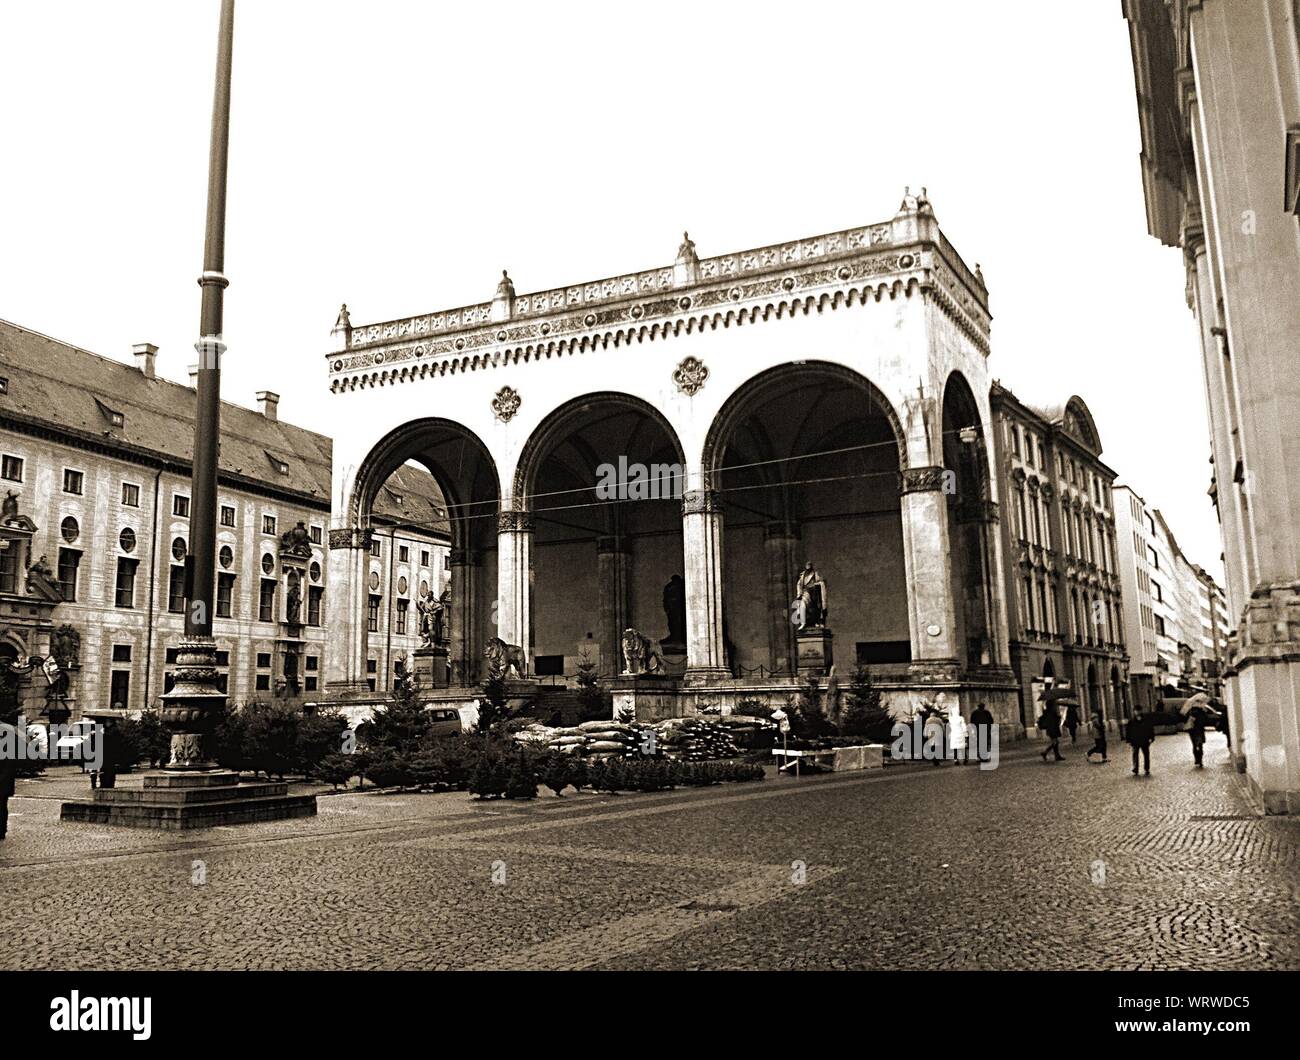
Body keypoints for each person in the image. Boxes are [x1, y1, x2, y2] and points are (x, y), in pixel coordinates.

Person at [0, 714, 18, 841]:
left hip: (4, 778)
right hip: (5, 778)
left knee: (2, 804)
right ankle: (2, 829)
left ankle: (1, 829)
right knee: (2, 804)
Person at [1126, 705, 1154, 776]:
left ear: (1141, 711)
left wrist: (1151, 738)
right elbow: (1128, 731)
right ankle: (1135, 768)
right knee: (1135, 754)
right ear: (1134, 712)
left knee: (1146, 755)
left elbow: (1150, 729)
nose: (1137, 712)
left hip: (1144, 740)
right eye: (1136, 711)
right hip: (1135, 740)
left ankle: (1146, 768)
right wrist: (1128, 740)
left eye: (1138, 710)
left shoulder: (1146, 719)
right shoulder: (1131, 721)